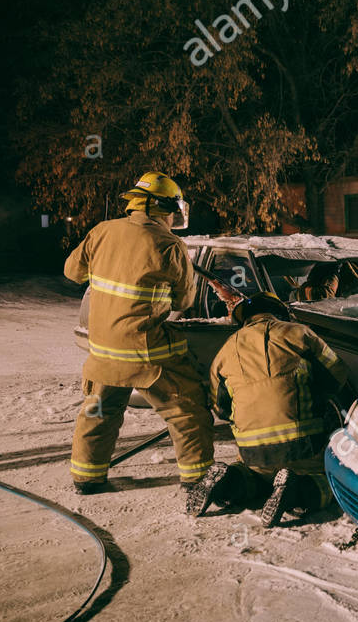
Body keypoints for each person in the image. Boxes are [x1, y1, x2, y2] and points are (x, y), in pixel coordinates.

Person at [63, 171, 237, 510]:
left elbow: (73, 272)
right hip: (146, 352)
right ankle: (198, 478)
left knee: (100, 410)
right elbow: (184, 303)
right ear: (164, 207)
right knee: (187, 409)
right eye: (174, 210)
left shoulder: (101, 232)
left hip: (103, 352)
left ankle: (86, 477)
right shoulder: (169, 244)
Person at [208, 292, 350, 526]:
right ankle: (297, 492)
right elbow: (338, 375)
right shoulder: (299, 333)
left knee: (253, 476)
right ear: (279, 312)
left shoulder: (226, 348)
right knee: (331, 479)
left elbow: (220, 408)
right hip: (303, 446)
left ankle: (230, 483)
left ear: (246, 318)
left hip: (252, 451)